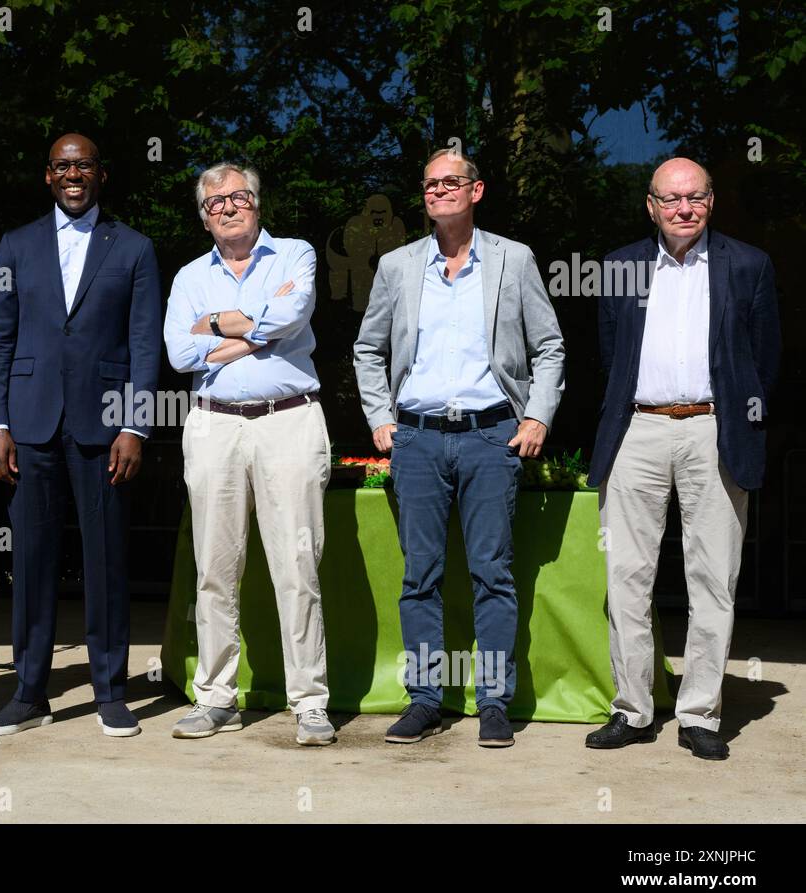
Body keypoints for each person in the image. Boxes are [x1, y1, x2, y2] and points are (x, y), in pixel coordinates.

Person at [353, 148, 565, 748]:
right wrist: (379, 417)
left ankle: (493, 702)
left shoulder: (513, 259)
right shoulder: (397, 266)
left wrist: (537, 416)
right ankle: (425, 700)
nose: (439, 191)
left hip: (491, 436)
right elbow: (367, 348)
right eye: (430, 184)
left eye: (451, 182)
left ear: (477, 190)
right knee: (420, 576)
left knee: (492, 574)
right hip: (417, 438)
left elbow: (549, 346)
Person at [585, 157, 780, 761]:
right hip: (637, 428)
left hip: (714, 428)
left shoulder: (748, 264)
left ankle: (698, 714)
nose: (683, 208)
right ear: (651, 206)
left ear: (711, 201)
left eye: (694, 196)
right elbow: (609, 356)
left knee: (714, 577)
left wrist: (741, 416)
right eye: (670, 199)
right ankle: (633, 709)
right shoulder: (619, 267)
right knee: (627, 578)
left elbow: (764, 359)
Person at [0, 133, 161, 738]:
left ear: (100, 174)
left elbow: (143, 343)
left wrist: (135, 423)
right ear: (48, 175)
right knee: (31, 560)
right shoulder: (16, 244)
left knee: (106, 559)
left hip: (105, 426)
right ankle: (29, 693)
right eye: (62, 166)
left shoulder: (134, 248)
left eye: (83, 166)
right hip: (29, 424)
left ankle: (111, 692)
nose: (73, 175)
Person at [164, 162, 335, 747]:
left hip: (290, 419)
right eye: (215, 202)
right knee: (214, 568)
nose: (228, 207)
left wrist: (214, 325)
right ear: (203, 217)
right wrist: (260, 330)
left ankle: (309, 703)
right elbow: (179, 353)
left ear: (257, 203)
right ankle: (216, 699)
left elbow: (294, 315)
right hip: (214, 424)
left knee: (297, 566)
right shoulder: (189, 274)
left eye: (239, 197)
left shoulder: (295, 254)